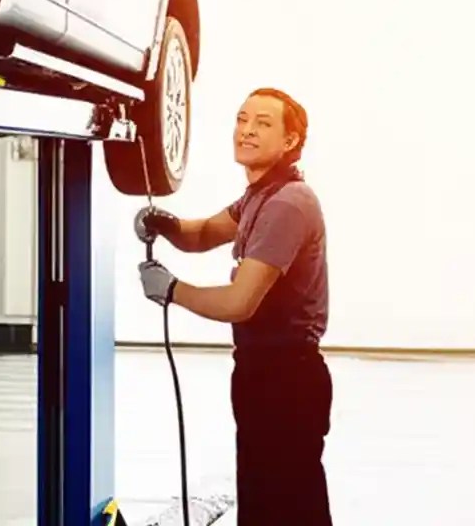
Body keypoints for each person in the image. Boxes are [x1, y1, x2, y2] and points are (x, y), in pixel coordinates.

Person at [134, 86, 333, 526]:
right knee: (266, 503)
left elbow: (239, 303)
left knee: (288, 507)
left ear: (290, 141)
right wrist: (164, 224)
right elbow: (204, 232)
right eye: (242, 119)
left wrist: (171, 290)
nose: (246, 130)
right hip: (262, 373)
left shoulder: (288, 204)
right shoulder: (260, 196)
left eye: (263, 123)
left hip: (288, 380)